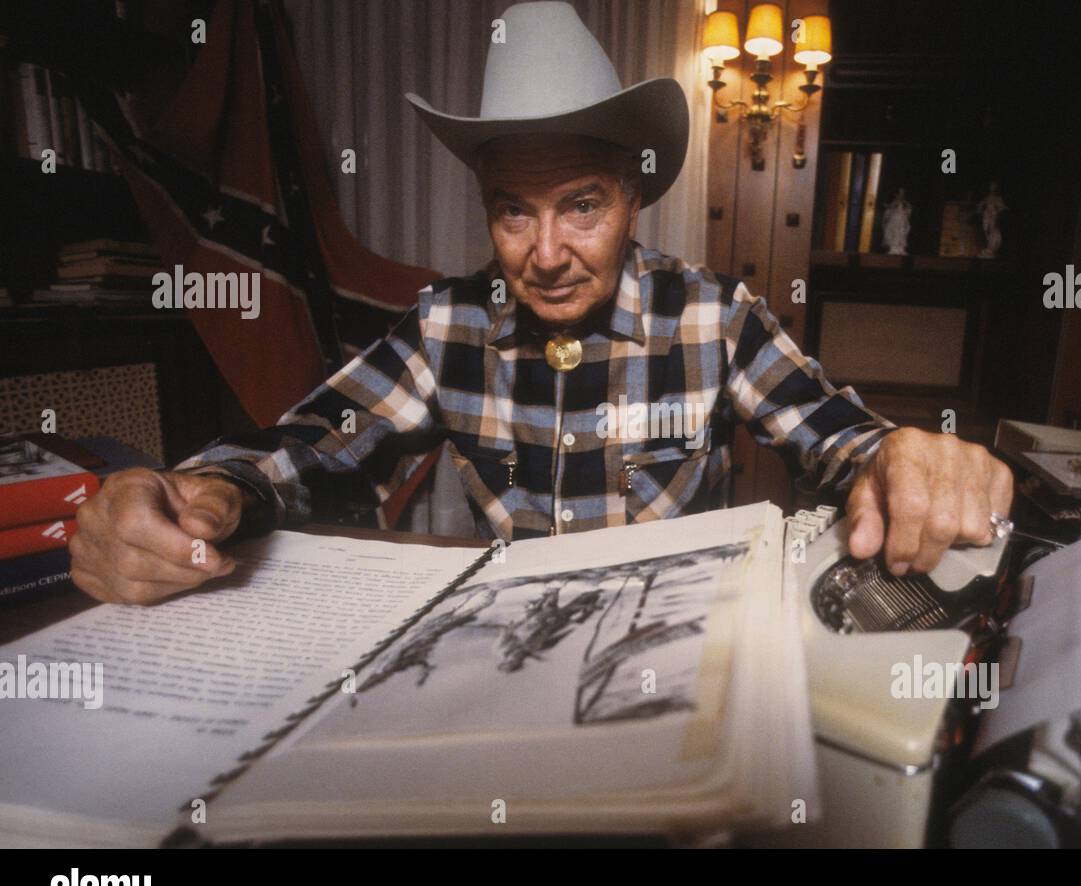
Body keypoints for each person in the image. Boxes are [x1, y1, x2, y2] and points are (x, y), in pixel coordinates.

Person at [69, 1, 1011, 606]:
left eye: (583, 207)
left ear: (632, 198)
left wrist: (904, 454)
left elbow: (838, 436)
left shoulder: (715, 316)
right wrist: (202, 493)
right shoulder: (448, 325)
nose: (547, 254)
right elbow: (308, 447)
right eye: (514, 212)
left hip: (673, 656)